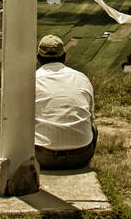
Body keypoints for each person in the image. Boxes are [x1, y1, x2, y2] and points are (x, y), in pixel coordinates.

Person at [34, 34, 97, 170]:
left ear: (38, 58)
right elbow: (91, 118)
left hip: (44, 158)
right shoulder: (81, 78)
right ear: (64, 57)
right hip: (80, 156)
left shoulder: (32, 80)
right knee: (93, 127)